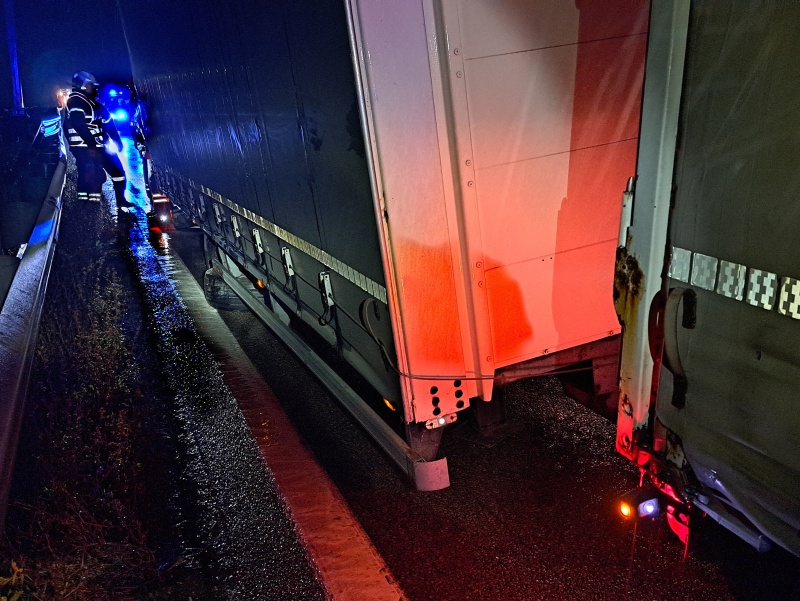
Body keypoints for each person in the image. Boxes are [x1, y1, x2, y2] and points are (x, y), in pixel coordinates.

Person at [64, 71, 133, 209]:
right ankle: (85, 206)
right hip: (85, 149)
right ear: (82, 85)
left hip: (98, 147)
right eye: (90, 85)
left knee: (118, 173)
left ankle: (120, 201)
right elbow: (79, 125)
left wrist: (116, 140)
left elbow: (108, 123)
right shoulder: (76, 102)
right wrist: (91, 146)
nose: (94, 88)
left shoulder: (92, 104)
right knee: (89, 176)